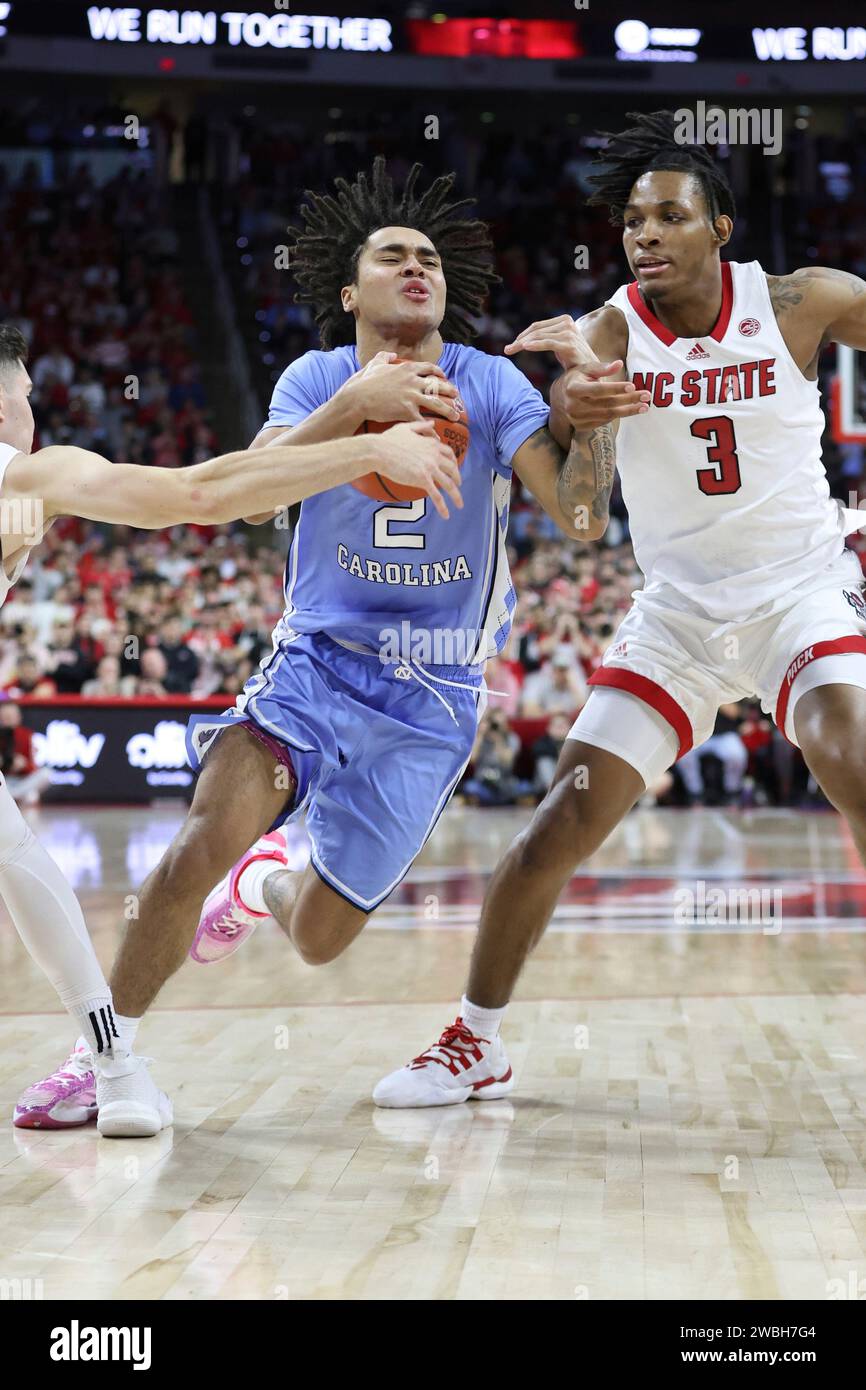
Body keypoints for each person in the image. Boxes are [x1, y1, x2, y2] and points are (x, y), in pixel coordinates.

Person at [23, 157, 592, 1126]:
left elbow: (578, 515)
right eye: (391, 255)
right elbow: (246, 495)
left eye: (430, 260)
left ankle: (271, 877)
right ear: (347, 288)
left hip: (434, 698)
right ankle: (101, 1056)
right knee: (197, 842)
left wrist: (590, 412)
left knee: (323, 936)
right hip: (316, 662)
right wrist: (351, 413)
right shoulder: (315, 375)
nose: (417, 268)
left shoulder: (490, 383)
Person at [372, 108, 866, 1106]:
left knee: (849, 752)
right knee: (557, 823)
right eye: (632, 221)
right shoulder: (602, 334)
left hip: (794, 593)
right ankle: (476, 1040)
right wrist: (577, 416)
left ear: (717, 228)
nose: (642, 235)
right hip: (677, 615)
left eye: (668, 216)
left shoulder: (803, 301)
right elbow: (587, 510)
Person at [0, 322, 458, 1135]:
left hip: (414, 695)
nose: (34, 413)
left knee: (33, 875)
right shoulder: (28, 473)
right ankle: (114, 1066)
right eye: (28, 398)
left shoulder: (24, 481)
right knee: (31, 875)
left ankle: (113, 1064)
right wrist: (363, 445)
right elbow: (201, 498)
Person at [676, 703, 748, 805]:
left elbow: (734, 712)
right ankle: (695, 794)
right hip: (697, 734)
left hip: (723, 734)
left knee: (736, 755)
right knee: (684, 755)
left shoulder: (726, 688)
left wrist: (716, 698)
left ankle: (732, 792)